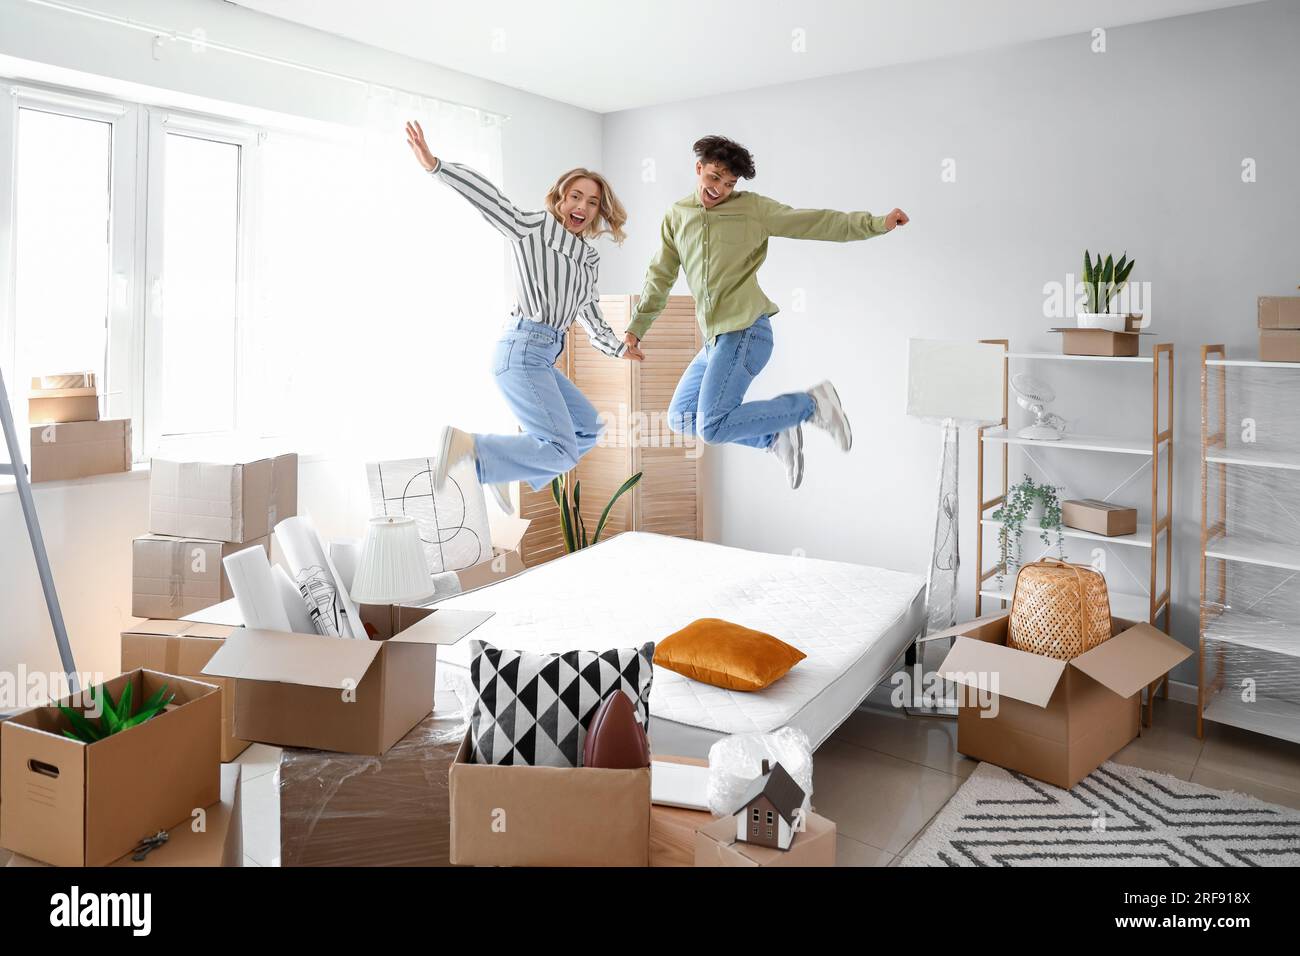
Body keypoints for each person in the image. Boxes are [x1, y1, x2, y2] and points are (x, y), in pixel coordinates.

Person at [625, 135, 909, 488]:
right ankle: (774, 437)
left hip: (745, 331)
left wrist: (875, 223)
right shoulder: (677, 217)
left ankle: (811, 404)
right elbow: (660, 276)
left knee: (711, 427)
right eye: (714, 178)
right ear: (699, 169)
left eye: (729, 184)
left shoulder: (752, 209)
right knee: (681, 418)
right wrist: (636, 329)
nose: (720, 189)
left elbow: (813, 222)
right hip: (715, 342)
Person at [404, 120, 641, 515]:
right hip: (522, 348)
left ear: (599, 211)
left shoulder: (588, 259)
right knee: (563, 449)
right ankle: (474, 452)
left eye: (593, 201)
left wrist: (618, 347)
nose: (582, 206)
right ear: (560, 199)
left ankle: (497, 469)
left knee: (588, 429)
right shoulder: (530, 228)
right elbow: (489, 199)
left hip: (543, 358)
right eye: (575, 196)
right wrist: (436, 166)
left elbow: (589, 312)